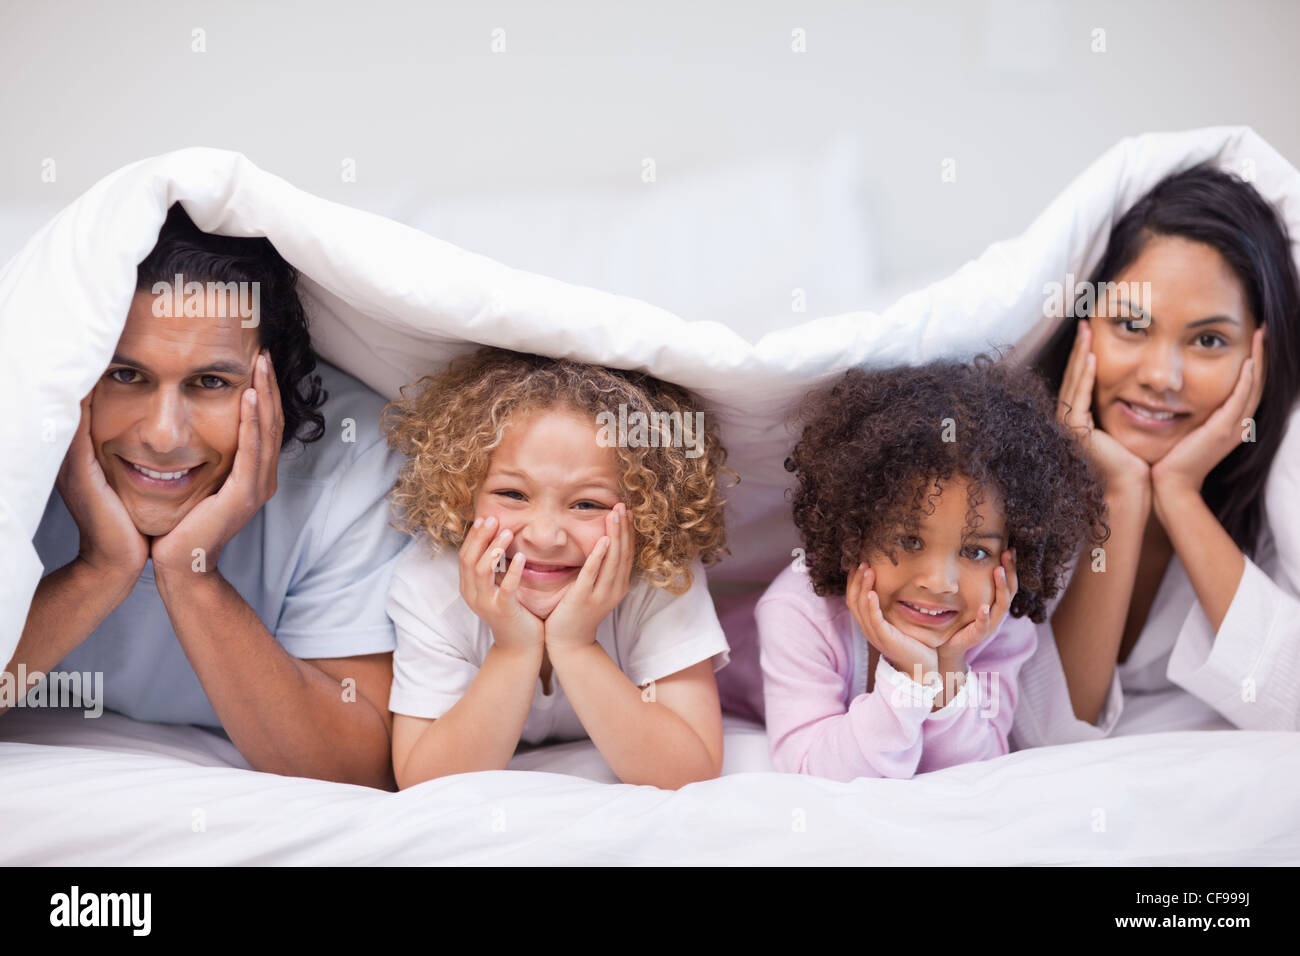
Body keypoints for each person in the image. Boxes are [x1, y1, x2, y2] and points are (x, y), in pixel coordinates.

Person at [5, 205, 413, 789]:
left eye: (211, 383)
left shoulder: (355, 458)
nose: (163, 435)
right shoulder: (21, 440)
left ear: (277, 384)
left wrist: (192, 576)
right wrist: (101, 569)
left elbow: (358, 769)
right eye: (126, 375)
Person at [1013, 162, 1300, 745]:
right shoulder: (1003, 480)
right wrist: (1120, 493)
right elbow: (1045, 740)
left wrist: (1179, 494)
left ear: (1261, 355)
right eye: (1131, 325)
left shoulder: (1281, 475)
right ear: (1082, 322)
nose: (1162, 377)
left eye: (1208, 341)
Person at [381, 348, 732, 789]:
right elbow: (424, 782)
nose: (545, 537)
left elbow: (689, 773)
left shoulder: (659, 574)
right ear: (463, 492)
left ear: (646, 513)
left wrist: (576, 645)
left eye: (587, 503)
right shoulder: (431, 584)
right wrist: (512, 649)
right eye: (512, 494)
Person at [755, 357, 1106, 780]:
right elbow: (818, 776)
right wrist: (909, 680)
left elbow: (974, 772)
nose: (940, 583)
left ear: (1012, 556)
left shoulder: (997, 620)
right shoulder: (797, 612)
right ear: (854, 529)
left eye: (975, 552)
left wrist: (945, 668)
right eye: (909, 541)